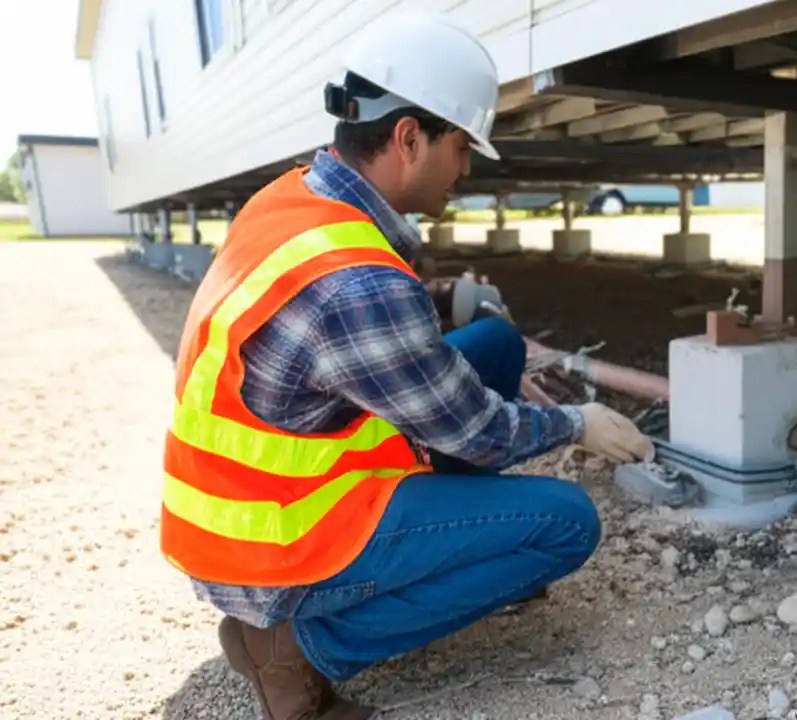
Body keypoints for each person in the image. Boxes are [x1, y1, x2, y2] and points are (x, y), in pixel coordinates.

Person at [160, 10, 654, 719]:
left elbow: (362, 343)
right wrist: (578, 423)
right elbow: (478, 431)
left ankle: (435, 549)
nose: (465, 168)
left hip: (243, 495)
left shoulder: (296, 195)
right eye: (460, 147)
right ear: (408, 137)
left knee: (498, 345)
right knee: (568, 523)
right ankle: (300, 649)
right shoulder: (359, 284)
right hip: (271, 536)